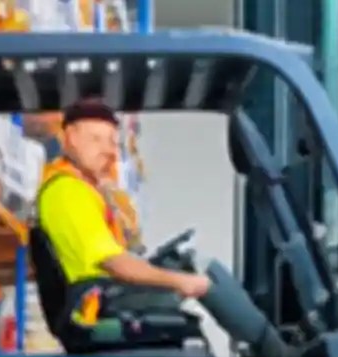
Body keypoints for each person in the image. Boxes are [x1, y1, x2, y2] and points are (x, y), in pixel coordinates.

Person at [36, 98, 211, 308]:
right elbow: (113, 262)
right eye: (96, 139)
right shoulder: (68, 191)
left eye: (111, 142)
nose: (108, 151)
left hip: (104, 297)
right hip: (94, 306)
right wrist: (181, 281)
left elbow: (120, 251)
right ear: (71, 138)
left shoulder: (86, 188)